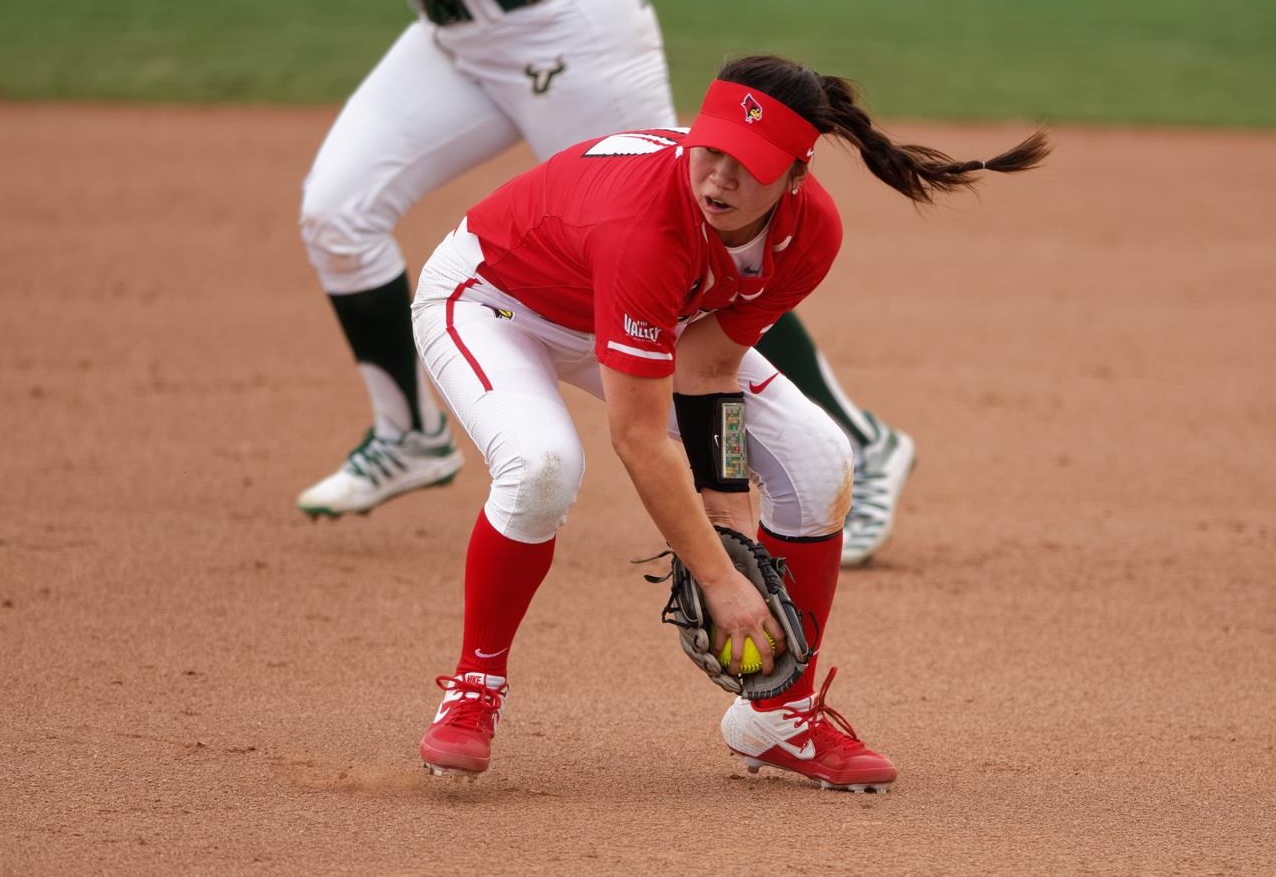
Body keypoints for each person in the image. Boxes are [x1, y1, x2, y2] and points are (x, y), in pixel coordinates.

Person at [408, 54, 1050, 790]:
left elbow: (707, 371)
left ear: (798, 176)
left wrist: (731, 526)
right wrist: (722, 577)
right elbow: (640, 435)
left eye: (747, 165)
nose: (718, 177)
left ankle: (778, 717)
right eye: (709, 149)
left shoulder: (811, 236)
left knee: (819, 460)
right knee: (542, 465)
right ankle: (473, 689)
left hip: (629, 316)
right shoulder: (647, 226)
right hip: (495, 299)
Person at [294, 0, 915, 566]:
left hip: (569, 30)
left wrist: (723, 530)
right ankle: (407, 436)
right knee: (336, 213)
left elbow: (686, 384)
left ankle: (852, 438)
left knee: (697, 225)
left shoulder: (811, 223)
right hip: (452, 36)